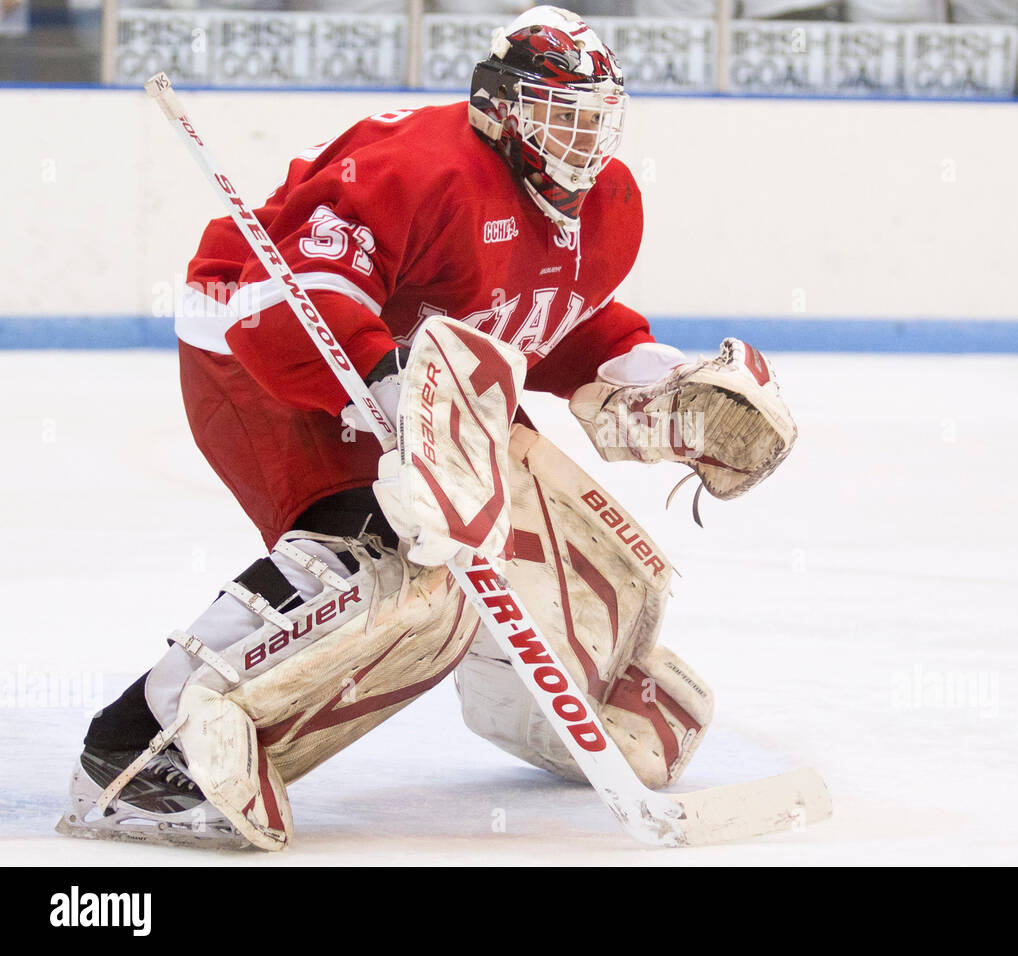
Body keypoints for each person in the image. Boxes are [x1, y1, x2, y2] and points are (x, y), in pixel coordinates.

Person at [57, 4, 796, 851]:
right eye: (562, 117)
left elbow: (541, 322)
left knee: (544, 525)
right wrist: (386, 390)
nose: (585, 143)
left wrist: (651, 374)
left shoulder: (608, 205)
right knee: (384, 555)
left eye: (597, 120)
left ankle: (554, 711)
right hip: (260, 347)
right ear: (499, 108)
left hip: (407, 356)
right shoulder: (418, 168)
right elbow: (293, 303)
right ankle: (131, 758)